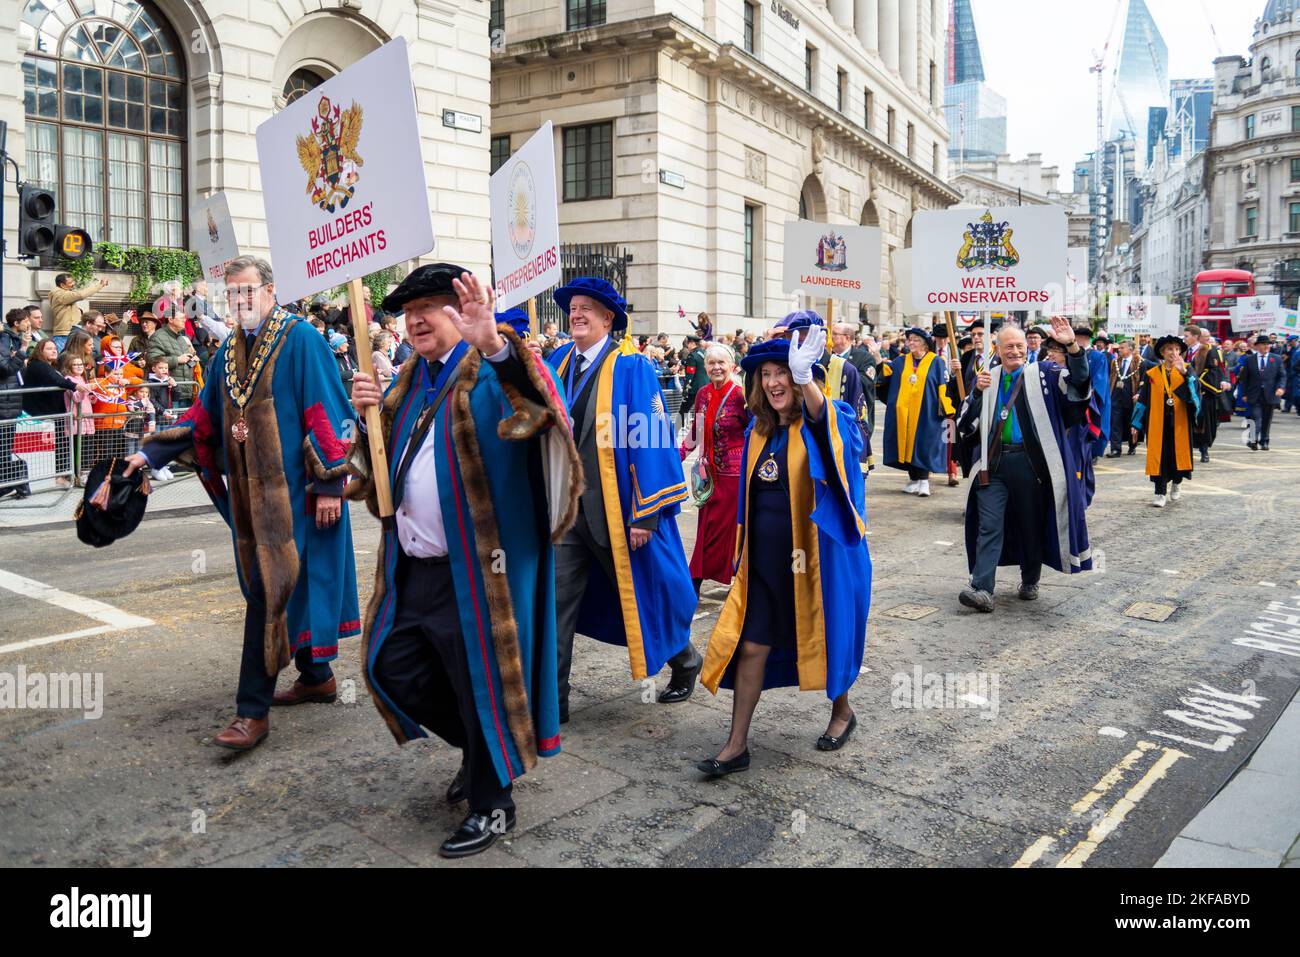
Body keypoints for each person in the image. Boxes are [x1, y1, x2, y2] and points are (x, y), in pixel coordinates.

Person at [347, 265, 579, 858]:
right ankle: (485, 753)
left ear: (462, 311)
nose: (417, 319)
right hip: (412, 570)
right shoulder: (402, 382)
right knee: (389, 667)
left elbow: (544, 415)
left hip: (479, 573)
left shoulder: (495, 368)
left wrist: (497, 345)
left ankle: (493, 801)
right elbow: (375, 480)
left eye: (431, 306)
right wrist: (364, 417)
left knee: (479, 679)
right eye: (408, 310)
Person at [122, 255, 360, 751]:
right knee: (279, 589)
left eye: (248, 291)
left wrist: (330, 486)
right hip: (252, 499)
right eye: (232, 294)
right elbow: (203, 417)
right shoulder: (229, 348)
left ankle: (251, 711)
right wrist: (149, 453)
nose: (240, 301)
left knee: (267, 595)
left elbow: (327, 410)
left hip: (299, 496)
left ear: (270, 291)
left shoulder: (303, 340)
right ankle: (317, 676)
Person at [697, 326, 870, 775]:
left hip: (815, 562)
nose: (774, 382)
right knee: (752, 645)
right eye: (767, 374)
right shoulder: (759, 431)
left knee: (830, 635)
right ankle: (736, 745)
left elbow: (834, 437)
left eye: (783, 374)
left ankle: (842, 712)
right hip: (765, 565)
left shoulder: (828, 418)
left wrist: (806, 381)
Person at [546, 277, 700, 716]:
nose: (576, 314)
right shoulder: (558, 362)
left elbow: (652, 437)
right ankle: (553, 704)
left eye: (586, 308)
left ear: (607, 318)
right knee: (556, 605)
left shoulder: (631, 366)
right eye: (573, 307)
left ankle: (685, 659)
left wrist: (646, 515)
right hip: (566, 510)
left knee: (646, 594)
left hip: (617, 509)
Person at [956, 319, 1094, 612]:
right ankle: (981, 588)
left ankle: (1030, 579)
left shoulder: (1044, 373)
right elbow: (963, 425)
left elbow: (1080, 383)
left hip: (1031, 465)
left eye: (1019, 345)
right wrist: (977, 394)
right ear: (998, 348)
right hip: (993, 465)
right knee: (989, 526)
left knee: (1030, 525)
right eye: (1009, 346)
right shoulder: (987, 378)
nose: (1015, 351)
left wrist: (1072, 347)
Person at [679, 343, 748, 593]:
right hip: (708, 477)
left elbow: (755, 432)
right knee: (706, 528)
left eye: (721, 363)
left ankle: (703, 579)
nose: (716, 367)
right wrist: (676, 456)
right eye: (711, 363)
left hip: (734, 476)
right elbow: (695, 431)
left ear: (732, 365)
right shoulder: (703, 394)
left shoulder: (741, 395)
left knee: (727, 531)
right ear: (705, 367)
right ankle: (696, 576)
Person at [879, 326, 952, 496]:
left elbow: (943, 385)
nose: (911, 343)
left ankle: (924, 481)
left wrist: (946, 407)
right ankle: (913, 479)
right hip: (904, 412)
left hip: (927, 411)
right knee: (906, 444)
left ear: (925, 344)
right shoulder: (901, 361)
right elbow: (886, 375)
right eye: (909, 339)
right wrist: (877, 358)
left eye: (916, 340)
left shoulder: (936, 361)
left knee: (924, 444)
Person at [1133, 335, 1198, 506]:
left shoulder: (1187, 370)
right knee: (1159, 455)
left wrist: (1184, 373)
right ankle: (1160, 492)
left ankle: (1177, 483)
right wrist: (1136, 424)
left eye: (1177, 349)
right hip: (1157, 421)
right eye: (1170, 349)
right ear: (1162, 352)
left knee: (1177, 455)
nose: (1174, 352)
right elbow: (1143, 399)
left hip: (1179, 421)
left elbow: (1195, 397)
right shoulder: (1153, 374)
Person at [1184, 324, 1231, 463]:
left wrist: (1195, 380)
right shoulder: (1185, 352)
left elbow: (1213, 371)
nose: (1184, 339)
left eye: (1186, 336)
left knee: (1204, 424)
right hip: (1187, 394)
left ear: (1195, 337)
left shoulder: (1208, 351)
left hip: (1203, 393)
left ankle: (1204, 451)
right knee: (1189, 423)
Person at [1236, 333, 1286, 451]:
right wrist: (1243, 394)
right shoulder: (1250, 360)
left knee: (1267, 420)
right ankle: (1253, 440)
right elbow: (1244, 379)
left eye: (1268, 344)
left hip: (1271, 394)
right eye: (1263, 344)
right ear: (1257, 346)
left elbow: (1282, 376)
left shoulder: (1276, 359)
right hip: (1254, 394)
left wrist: (1281, 388)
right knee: (1256, 419)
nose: (1266, 346)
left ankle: (1264, 441)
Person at [146, 306, 199, 405]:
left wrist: (192, 361)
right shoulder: (158, 337)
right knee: (172, 420)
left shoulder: (182, 339)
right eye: (182, 318)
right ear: (170, 319)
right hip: (169, 393)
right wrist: (177, 359)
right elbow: (152, 360)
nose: (185, 320)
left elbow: (185, 363)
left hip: (187, 391)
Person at [48, 273, 109, 351]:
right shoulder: (59, 294)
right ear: (62, 285)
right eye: (70, 283)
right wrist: (100, 285)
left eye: (73, 281)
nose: (73, 284)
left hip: (69, 333)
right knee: (65, 360)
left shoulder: (65, 295)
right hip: (64, 335)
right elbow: (80, 295)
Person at [1107, 339, 1142, 457]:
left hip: (1131, 397)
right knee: (1115, 422)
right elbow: (1110, 377)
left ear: (1130, 349)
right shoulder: (1114, 362)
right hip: (1116, 396)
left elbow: (1144, 381)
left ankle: (1132, 446)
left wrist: (1139, 393)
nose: (1119, 350)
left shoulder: (1140, 363)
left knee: (1130, 422)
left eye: (1122, 348)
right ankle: (1115, 449)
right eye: (1119, 348)